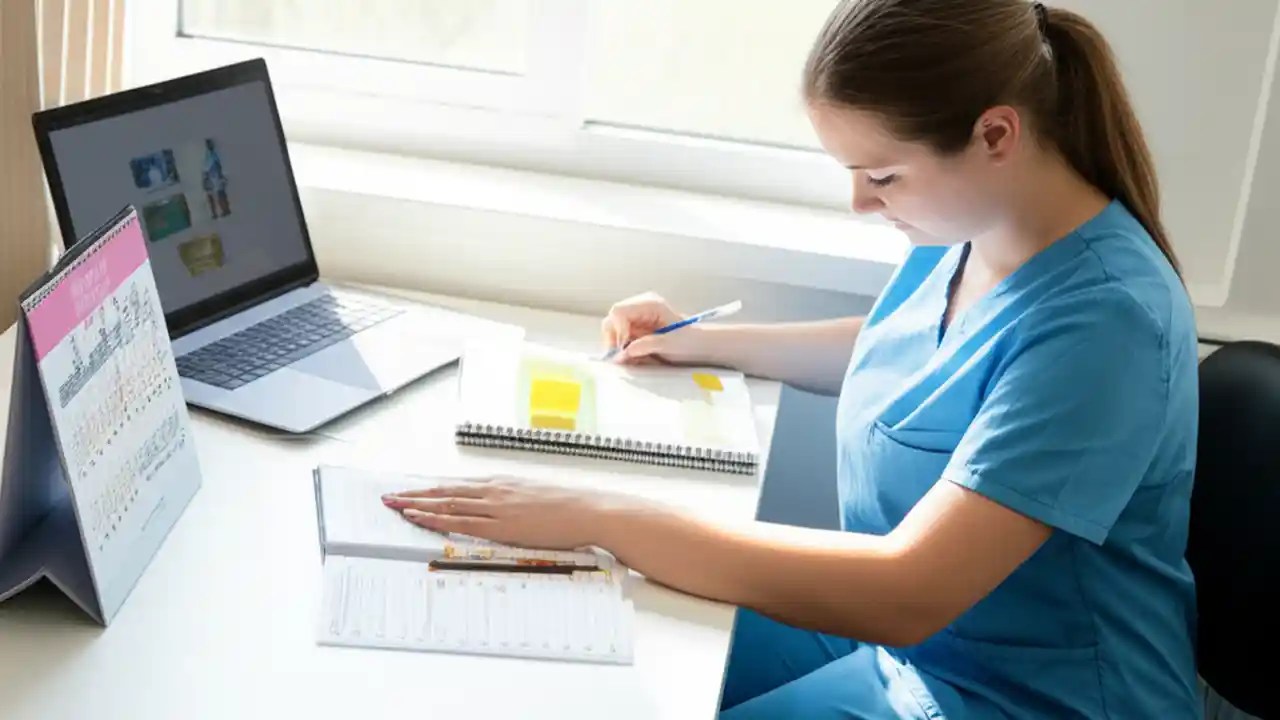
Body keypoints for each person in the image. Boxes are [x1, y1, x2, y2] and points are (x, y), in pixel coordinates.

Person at [381, 1, 1200, 717]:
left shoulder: (1107, 323)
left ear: (995, 134)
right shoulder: (973, 223)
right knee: (595, 624)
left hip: (1012, 696)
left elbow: (908, 592)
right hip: (912, 649)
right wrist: (702, 343)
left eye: (880, 174)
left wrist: (603, 517)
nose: (859, 202)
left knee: (618, 584)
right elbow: (914, 354)